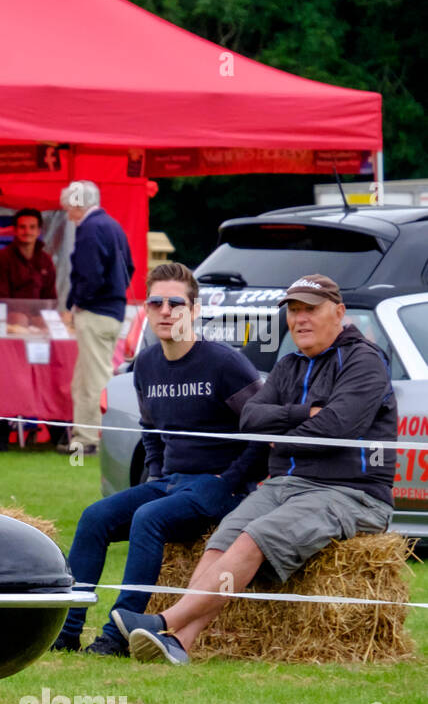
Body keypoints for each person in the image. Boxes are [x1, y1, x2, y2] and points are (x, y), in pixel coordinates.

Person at [112, 274, 398, 665]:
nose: (300, 319)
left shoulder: (365, 361)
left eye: (310, 309)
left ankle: (163, 620)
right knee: (221, 538)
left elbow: (335, 428)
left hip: (351, 492)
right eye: (294, 311)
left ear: (339, 312)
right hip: (285, 483)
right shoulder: (289, 364)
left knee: (254, 536)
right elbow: (250, 417)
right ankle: (181, 643)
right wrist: (299, 416)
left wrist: (280, 434)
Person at [52, 263, 267, 656]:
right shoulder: (146, 365)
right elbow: (151, 434)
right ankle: (65, 632)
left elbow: (263, 435)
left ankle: (117, 636)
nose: (166, 311)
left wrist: (229, 480)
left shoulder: (225, 364)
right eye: (156, 303)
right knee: (95, 517)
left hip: (220, 486)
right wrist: (153, 478)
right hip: (171, 480)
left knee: (147, 519)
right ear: (146, 311)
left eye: (176, 303)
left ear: (194, 310)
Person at [60, 180, 135, 455]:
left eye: (69, 208)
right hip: (112, 311)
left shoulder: (89, 230)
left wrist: (77, 302)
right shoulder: (112, 226)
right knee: (85, 380)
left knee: (93, 380)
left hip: (95, 312)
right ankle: (84, 435)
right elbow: (129, 266)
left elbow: (89, 274)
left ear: (78, 204)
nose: (68, 214)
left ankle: (90, 439)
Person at [0, 208, 57, 302]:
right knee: (19, 318)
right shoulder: (2, 258)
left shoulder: (46, 260)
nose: (27, 232)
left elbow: (50, 298)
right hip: (9, 314)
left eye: (32, 227)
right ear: (15, 230)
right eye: (22, 227)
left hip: (39, 314)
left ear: (38, 231)